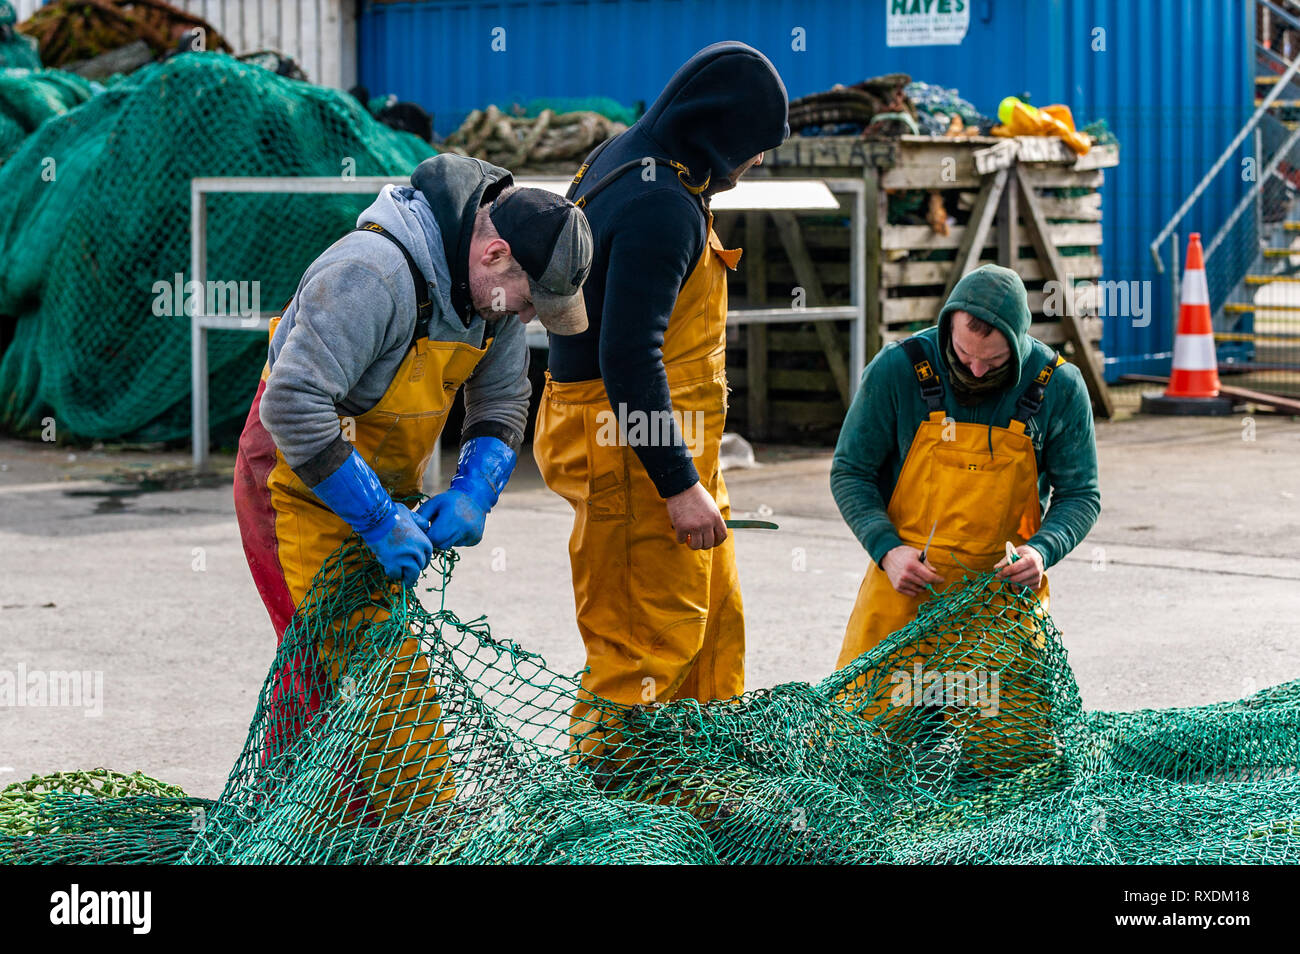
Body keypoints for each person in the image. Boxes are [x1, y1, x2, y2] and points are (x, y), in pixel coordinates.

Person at [233, 153, 592, 820]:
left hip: (376, 485)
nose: (529, 317)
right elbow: (293, 407)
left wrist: (474, 490)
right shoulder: (371, 274)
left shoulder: (493, 306)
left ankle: (309, 819)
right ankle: (386, 828)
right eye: (528, 299)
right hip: (293, 483)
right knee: (357, 664)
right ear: (494, 254)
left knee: (337, 663)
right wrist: (375, 518)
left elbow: (503, 400)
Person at [532, 41, 788, 761]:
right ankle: (608, 814)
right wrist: (677, 486)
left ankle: (700, 786)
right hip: (629, 450)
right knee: (646, 641)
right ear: (721, 132)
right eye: (757, 147)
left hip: (665, 439)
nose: (758, 161)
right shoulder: (660, 207)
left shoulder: (636, 157)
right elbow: (627, 357)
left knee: (712, 622)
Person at [829, 264, 1100, 763]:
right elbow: (850, 472)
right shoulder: (898, 369)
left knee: (1009, 760)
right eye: (963, 355)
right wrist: (886, 550)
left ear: (1019, 344)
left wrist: (1043, 551)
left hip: (999, 605)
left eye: (993, 361)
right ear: (948, 325)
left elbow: (1081, 494)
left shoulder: (1058, 386)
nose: (975, 370)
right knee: (860, 751)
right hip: (903, 594)